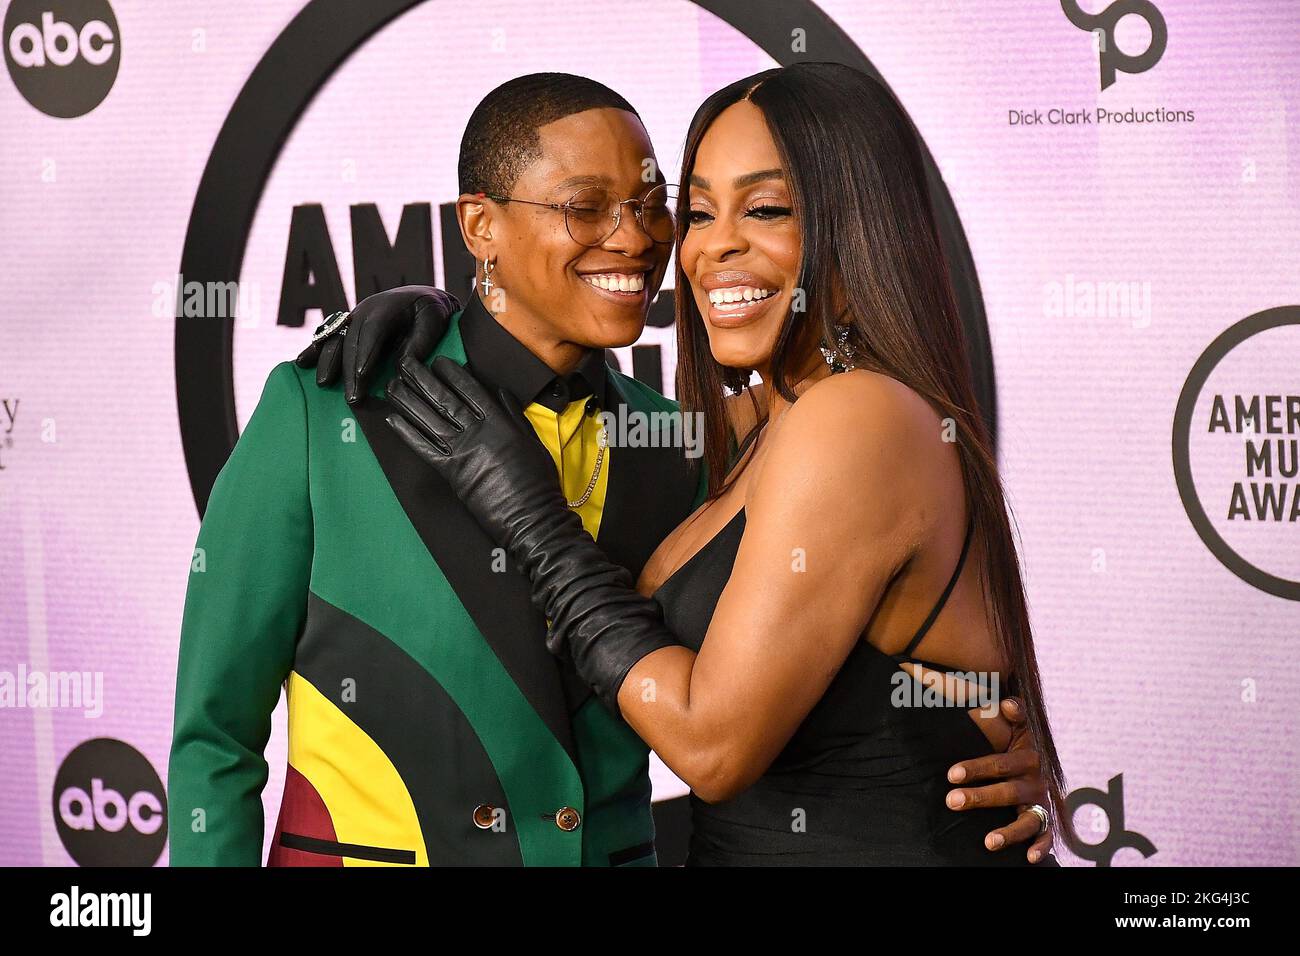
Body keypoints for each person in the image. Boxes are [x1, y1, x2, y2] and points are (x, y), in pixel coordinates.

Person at [169, 72, 1052, 867]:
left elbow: (776, 696)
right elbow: (214, 732)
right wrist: (439, 307)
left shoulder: (688, 443)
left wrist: (976, 722)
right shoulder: (323, 414)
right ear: (480, 225)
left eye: (655, 204)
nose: (643, 240)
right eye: (589, 207)